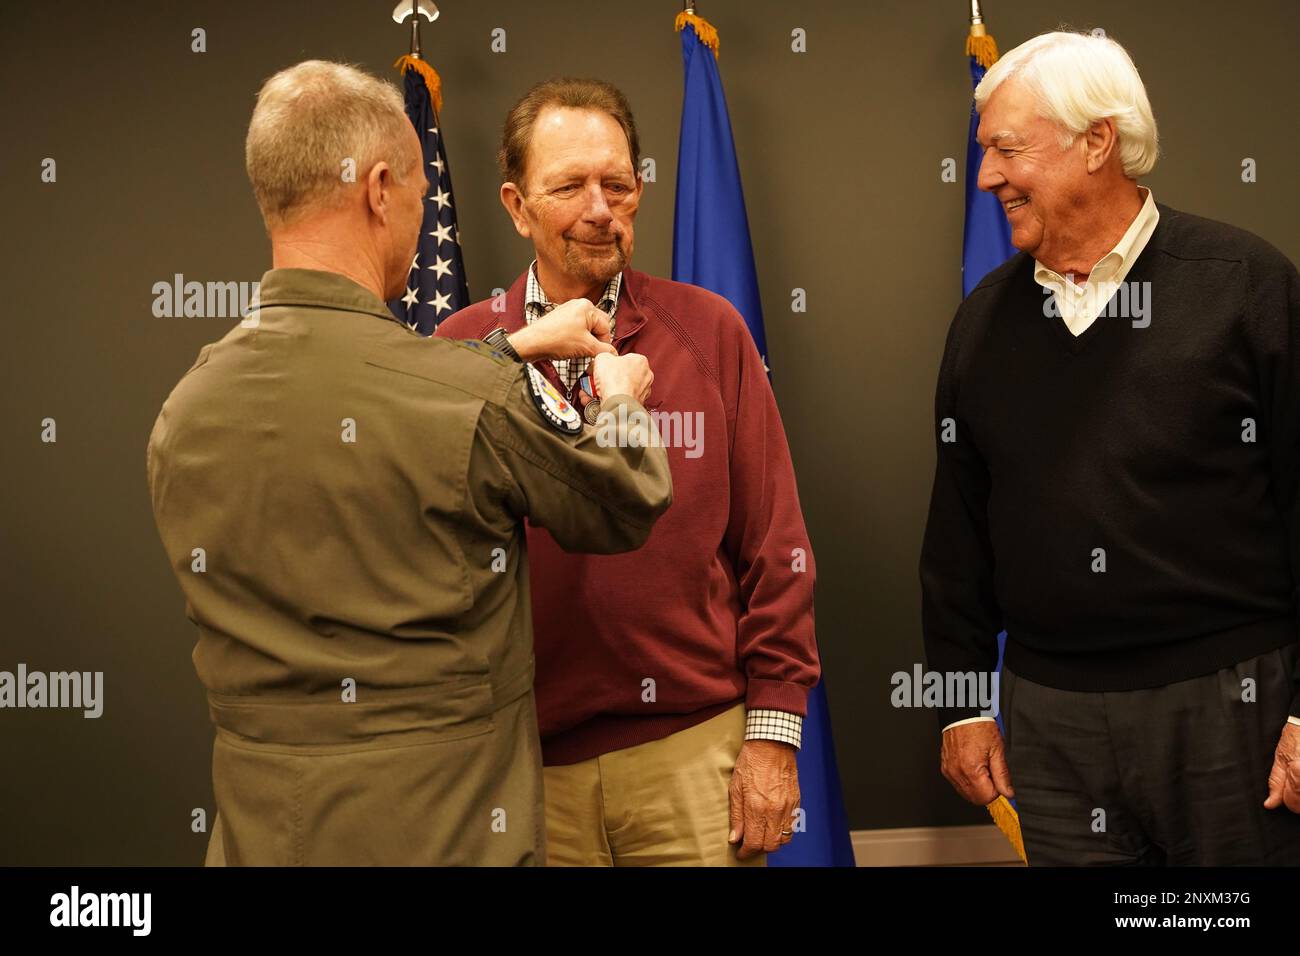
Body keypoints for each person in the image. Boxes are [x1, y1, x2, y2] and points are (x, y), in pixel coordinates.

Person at [145, 60, 672, 866]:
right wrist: (619, 395)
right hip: (447, 832)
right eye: (424, 193)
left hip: (262, 838)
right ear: (378, 188)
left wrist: (504, 352)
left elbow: (395, 410)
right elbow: (624, 498)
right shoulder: (467, 394)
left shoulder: (184, 411)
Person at [921, 31, 1300, 865]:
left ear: (1098, 141)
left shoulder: (1245, 285)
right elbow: (957, 537)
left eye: (1006, 150)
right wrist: (959, 704)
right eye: (985, 153)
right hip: (1048, 723)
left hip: (1231, 711)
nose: (985, 178)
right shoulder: (983, 322)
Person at [436, 77, 820, 866]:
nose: (601, 207)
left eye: (618, 182)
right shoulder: (460, 354)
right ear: (515, 205)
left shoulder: (709, 332)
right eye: (569, 186)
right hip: (523, 772)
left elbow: (776, 549)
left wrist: (775, 739)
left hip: (694, 758)